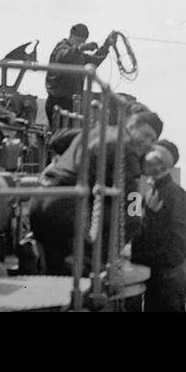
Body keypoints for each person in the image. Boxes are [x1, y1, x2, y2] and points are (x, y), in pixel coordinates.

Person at [29, 107, 163, 275]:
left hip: (40, 200)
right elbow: (131, 207)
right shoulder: (126, 149)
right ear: (133, 125)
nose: (148, 143)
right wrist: (139, 208)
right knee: (132, 220)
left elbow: (57, 141)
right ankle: (96, 265)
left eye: (152, 140)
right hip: (67, 211)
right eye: (146, 135)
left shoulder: (98, 130)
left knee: (54, 275)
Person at [130, 139, 186, 312]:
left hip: (168, 278)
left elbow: (183, 239)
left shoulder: (177, 195)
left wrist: (160, 263)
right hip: (153, 274)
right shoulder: (150, 192)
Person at [45, 25, 119, 125]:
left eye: (82, 42)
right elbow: (63, 57)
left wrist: (106, 45)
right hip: (57, 102)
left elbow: (94, 61)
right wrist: (80, 48)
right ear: (71, 37)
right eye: (78, 41)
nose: (80, 44)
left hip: (73, 102)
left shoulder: (79, 55)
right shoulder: (60, 48)